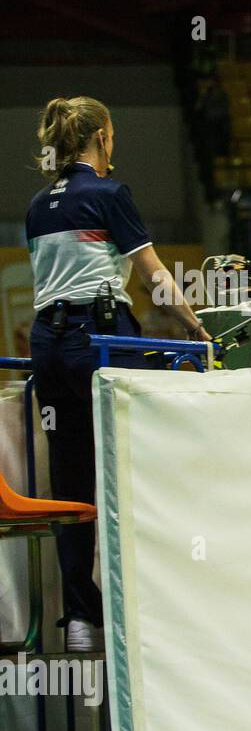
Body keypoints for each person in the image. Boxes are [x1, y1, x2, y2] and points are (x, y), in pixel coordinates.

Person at [26, 96, 209, 653]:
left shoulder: (38, 205)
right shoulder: (109, 194)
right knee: (138, 460)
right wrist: (199, 329)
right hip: (96, 340)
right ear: (102, 137)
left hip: (46, 348)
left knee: (71, 479)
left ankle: (81, 614)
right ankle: (147, 597)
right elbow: (155, 279)